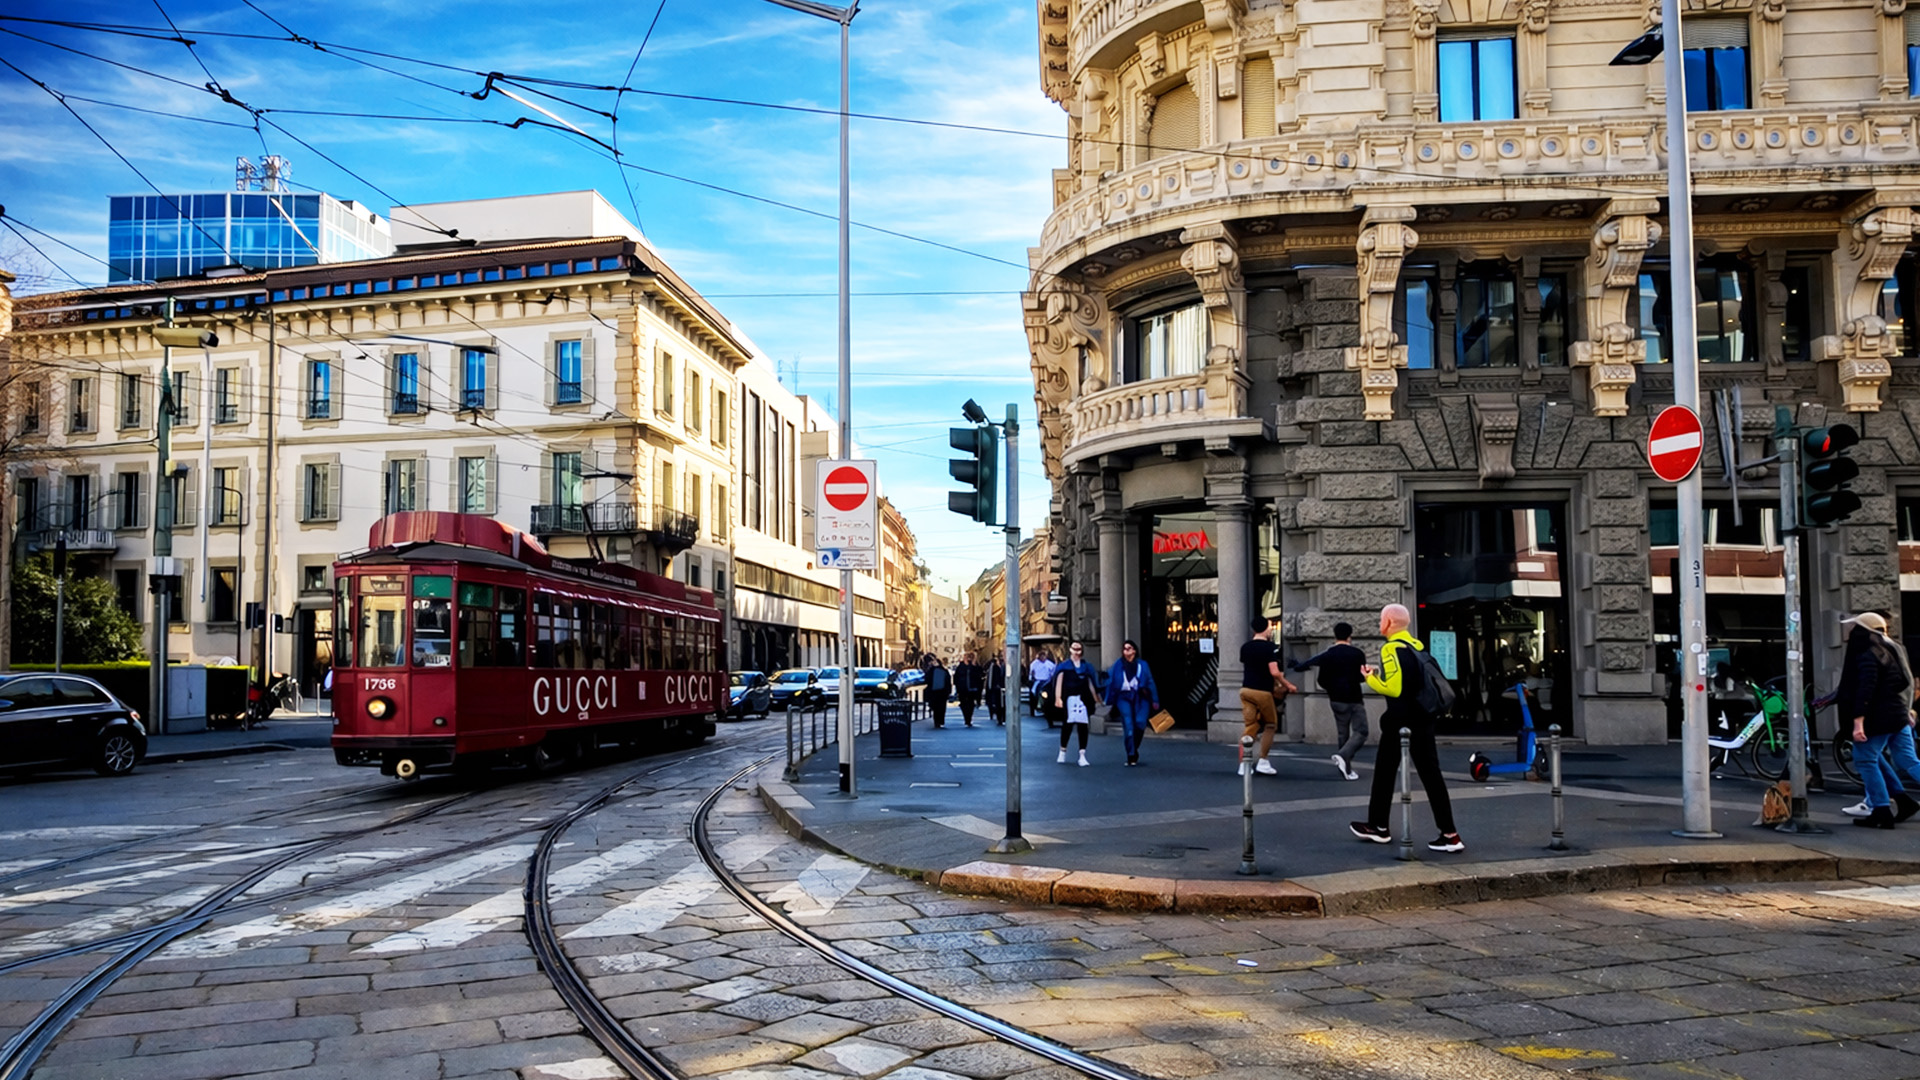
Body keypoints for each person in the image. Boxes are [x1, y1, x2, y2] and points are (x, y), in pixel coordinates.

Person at [1350, 603, 1464, 852]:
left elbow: (1394, 688)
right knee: (1431, 775)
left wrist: (1370, 678)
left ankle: (1378, 826)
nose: (1380, 624)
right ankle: (1450, 834)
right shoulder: (1418, 646)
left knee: (1384, 773)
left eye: (1381, 619)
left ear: (1388, 622)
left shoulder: (1390, 648)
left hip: (1400, 722)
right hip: (1423, 719)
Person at [1840, 612, 1920, 828]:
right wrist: (1905, 709)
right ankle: (1902, 801)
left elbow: (1865, 689)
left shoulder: (1866, 654)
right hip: (1897, 715)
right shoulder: (1889, 651)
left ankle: (1881, 810)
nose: (1850, 632)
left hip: (1878, 719)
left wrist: (1858, 721)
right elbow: (1904, 680)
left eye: (1855, 627)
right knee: (1906, 760)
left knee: (1865, 759)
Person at [1292, 622, 1368, 780]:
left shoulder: (1327, 654)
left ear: (1335, 635)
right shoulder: (1357, 654)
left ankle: (1346, 768)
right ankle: (1343, 756)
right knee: (1361, 731)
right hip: (1354, 696)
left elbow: (1312, 669)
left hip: (1336, 698)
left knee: (1343, 733)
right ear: (1349, 636)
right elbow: (1362, 676)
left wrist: (1331, 688)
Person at [1239, 618, 1297, 776]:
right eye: (1270, 627)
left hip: (1246, 690)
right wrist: (1288, 685)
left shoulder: (1245, 647)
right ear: (1264, 629)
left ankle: (1244, 764)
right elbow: (1274, 672)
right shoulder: (1269, 647)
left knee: (1251, 726)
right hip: (1262, 691)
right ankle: (1263, 761)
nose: (1271, 630)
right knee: (1271, 725)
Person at [1106, 640, 1161, 767]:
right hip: (1123, 697)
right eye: (1124, 649)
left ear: (1134, 651)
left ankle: (1134, 746)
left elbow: (1150, 681)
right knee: (1128, 725)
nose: (1126, 651)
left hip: (1141, 696)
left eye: (1129, 648)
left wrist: (1155, 700)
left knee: (1141, 722)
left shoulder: (1143, 665)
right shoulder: (1118, 665)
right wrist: (1107, 697)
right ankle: (1131, 753)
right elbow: (1110, 680)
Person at [1054, 640, 1100, 766]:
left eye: (1079, 649)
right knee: (1067, 726)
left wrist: (1096, 698)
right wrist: (1058, 698)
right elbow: (1059, 681)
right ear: (1070, 650)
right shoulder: (1064, 666)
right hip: (1069, 699)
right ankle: (1063, 751)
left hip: (1083, 699)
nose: (1076, 652)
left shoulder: (1086, 667)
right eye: (1074, 649)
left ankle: (1082, 754)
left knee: (1083, 726)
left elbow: (1091, 682)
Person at [1029, 649, 1058, 723]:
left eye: (1044, 656)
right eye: (1041, 656)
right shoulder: (1034, 664)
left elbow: (1052, 672)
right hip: (1038, 681)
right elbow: (1031, 672)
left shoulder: (1049, 664)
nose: (1043, 658)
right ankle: (1036, 707)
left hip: (1047, 681)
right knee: (1034, 692)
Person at [955, 651, 983, 727]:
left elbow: (980, 675)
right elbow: (956, 678)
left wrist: (974, 664)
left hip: (972, 689)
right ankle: (966, 718)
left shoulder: (975, 667)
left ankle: (969, 719)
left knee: (970, 704)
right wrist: (957, 688)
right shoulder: (960, 667)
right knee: (963, 704)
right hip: (962, 689)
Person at [925, 657, 952, 729]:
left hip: (934, 692)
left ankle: (936, 721)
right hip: (942, 692)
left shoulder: (931, 671)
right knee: (941, 708)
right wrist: (948, 692)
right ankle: (940, 721)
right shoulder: (944, 671)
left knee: (935, 708)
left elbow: (927, 680)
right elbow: (948, 682)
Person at [986, 653, 1008, 725]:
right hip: (997, 689)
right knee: (998, 703)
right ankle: (1000, 718)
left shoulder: (1005, 666)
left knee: (1003, 704)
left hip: (1004, 688)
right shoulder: (994, 667)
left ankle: (1002, 717)